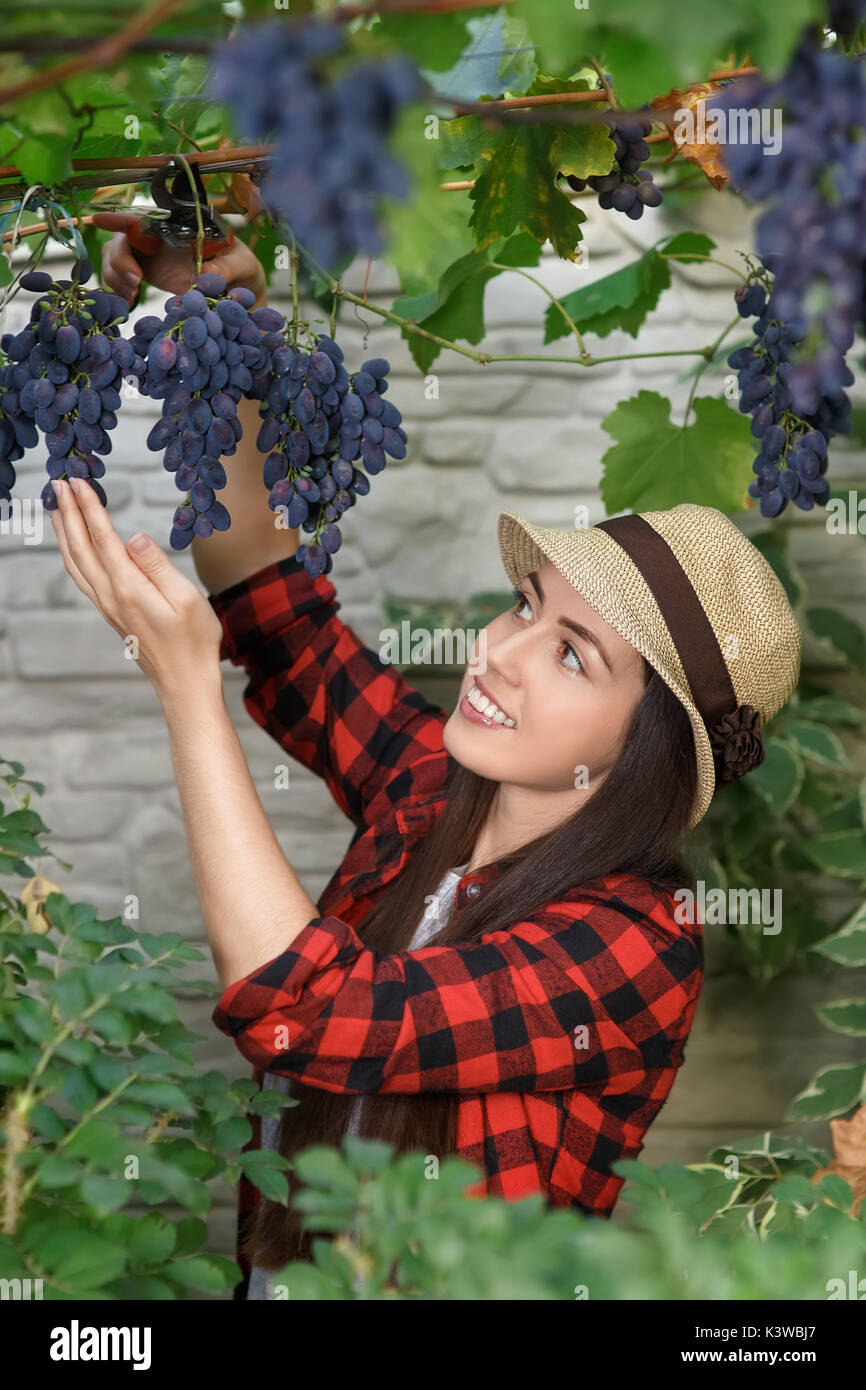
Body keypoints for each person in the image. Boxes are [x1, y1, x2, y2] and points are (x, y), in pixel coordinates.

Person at [48, 226, 802, 1301]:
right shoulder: (433, 788)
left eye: (571, 656)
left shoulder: (635, 945)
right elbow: (276, 613)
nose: (496, 651)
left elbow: (307, 1012)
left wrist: (184, 687)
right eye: (524, 607)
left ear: (641, 749)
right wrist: (218, 330)